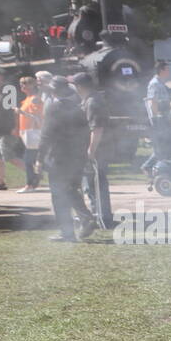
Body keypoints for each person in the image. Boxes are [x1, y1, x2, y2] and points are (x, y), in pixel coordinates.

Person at [39, 76, 93, 242]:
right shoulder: (79, 107)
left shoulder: (53, 108)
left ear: (54, 90)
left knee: (58, 194)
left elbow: (46, 135)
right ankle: (84, 217)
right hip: (77, 156)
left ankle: (69, 231)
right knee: (70, 189)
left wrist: (39, 158)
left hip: (58, 156)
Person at [70, 72, 113, 230]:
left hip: (98, 150)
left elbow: (97, 128)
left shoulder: (93, 102)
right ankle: (99, 215)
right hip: (95, 148)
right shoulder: (89, 100)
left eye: (75, 85)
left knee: (96, 184)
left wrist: (91, 150)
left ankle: (103, 218)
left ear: (80, 86)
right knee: (91, 184)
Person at [141, 60, 171, 175]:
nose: (169, 71)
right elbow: (152, 102)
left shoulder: (161, 83)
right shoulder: (154, 83)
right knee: (161, 147)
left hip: (163, 118)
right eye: (167, 69)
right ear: (161, 70)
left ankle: (153, 168)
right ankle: (148, 167)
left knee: (163, 147)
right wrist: (156, 119)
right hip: (158, 120)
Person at [17, 75, 44, 192]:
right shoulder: (27, 99)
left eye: (26, 83)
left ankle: (30, 184)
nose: (23, 85)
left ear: (33, 85)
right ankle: (34, 181)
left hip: (34, 131)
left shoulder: (34, 98)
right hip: (27, 132)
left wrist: (21, 112)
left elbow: (37, 116)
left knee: (28, 159)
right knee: (34, 159)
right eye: (22, 83)